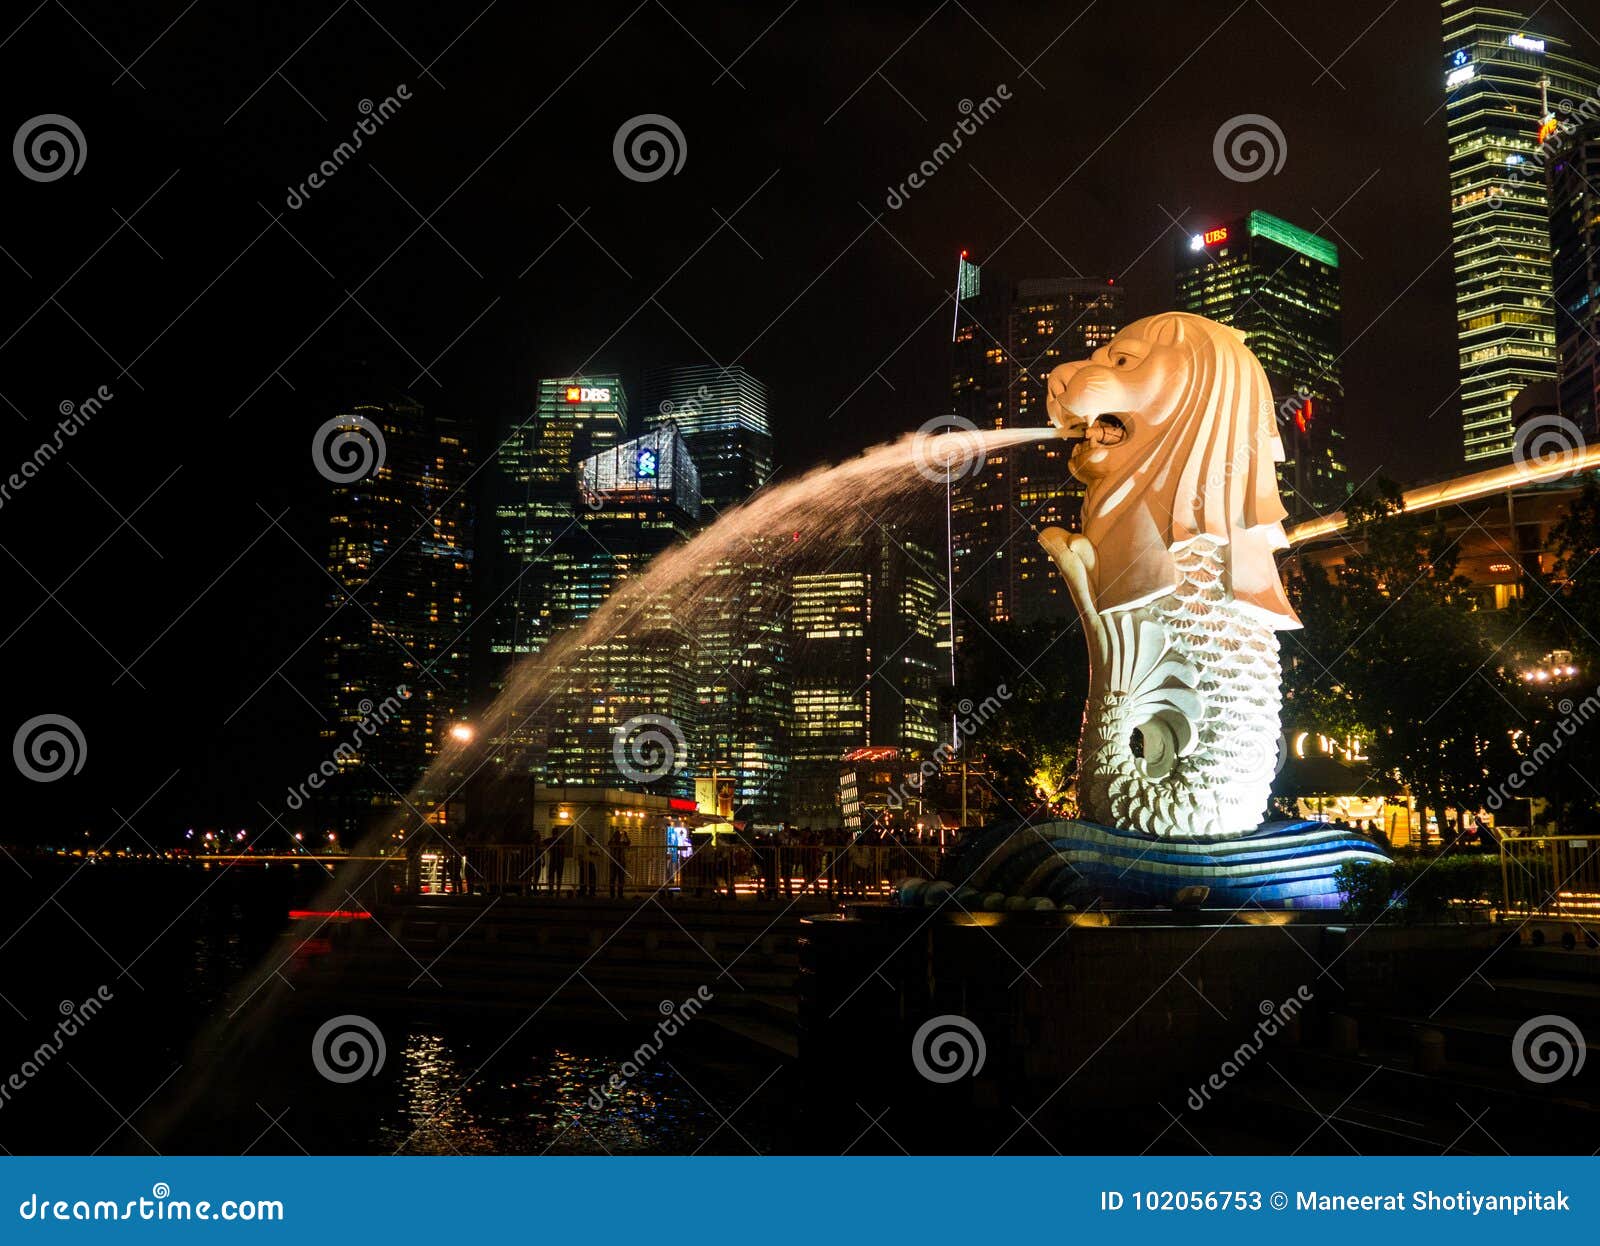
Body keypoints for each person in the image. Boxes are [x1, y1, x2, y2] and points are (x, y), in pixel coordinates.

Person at [608, 825, 630, 898]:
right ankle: (613, 894)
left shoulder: (621, 843)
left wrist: (626, 836)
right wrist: (613, 836)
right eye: (617, 835)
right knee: (613, 879)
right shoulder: (613, 843)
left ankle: (619, 894)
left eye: (619, 835)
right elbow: (609, 843)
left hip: (620, 862)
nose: (618, 837)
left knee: (620, 879)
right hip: (614, 862)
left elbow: (628, 843)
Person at [546, 822, 568, 895]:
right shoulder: (561, 840)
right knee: (559, 876)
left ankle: (551, 890)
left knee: (551, 875)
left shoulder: (550, 840)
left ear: (552, 833)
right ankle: (558, 890)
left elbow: (542, 844)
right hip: (560, 860)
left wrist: (548, 849)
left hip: (553, 859)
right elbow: (564, 850)